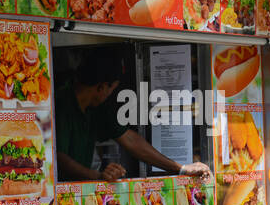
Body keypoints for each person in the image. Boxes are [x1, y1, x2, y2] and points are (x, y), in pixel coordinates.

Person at [56, 52, 211, 182]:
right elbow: (59, 157)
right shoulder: (61, 102)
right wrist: (98, 176)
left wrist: (181, 169)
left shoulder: (97, 108)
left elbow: (130, 140)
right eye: (112, 90)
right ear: (102, 87)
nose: (109, 96)